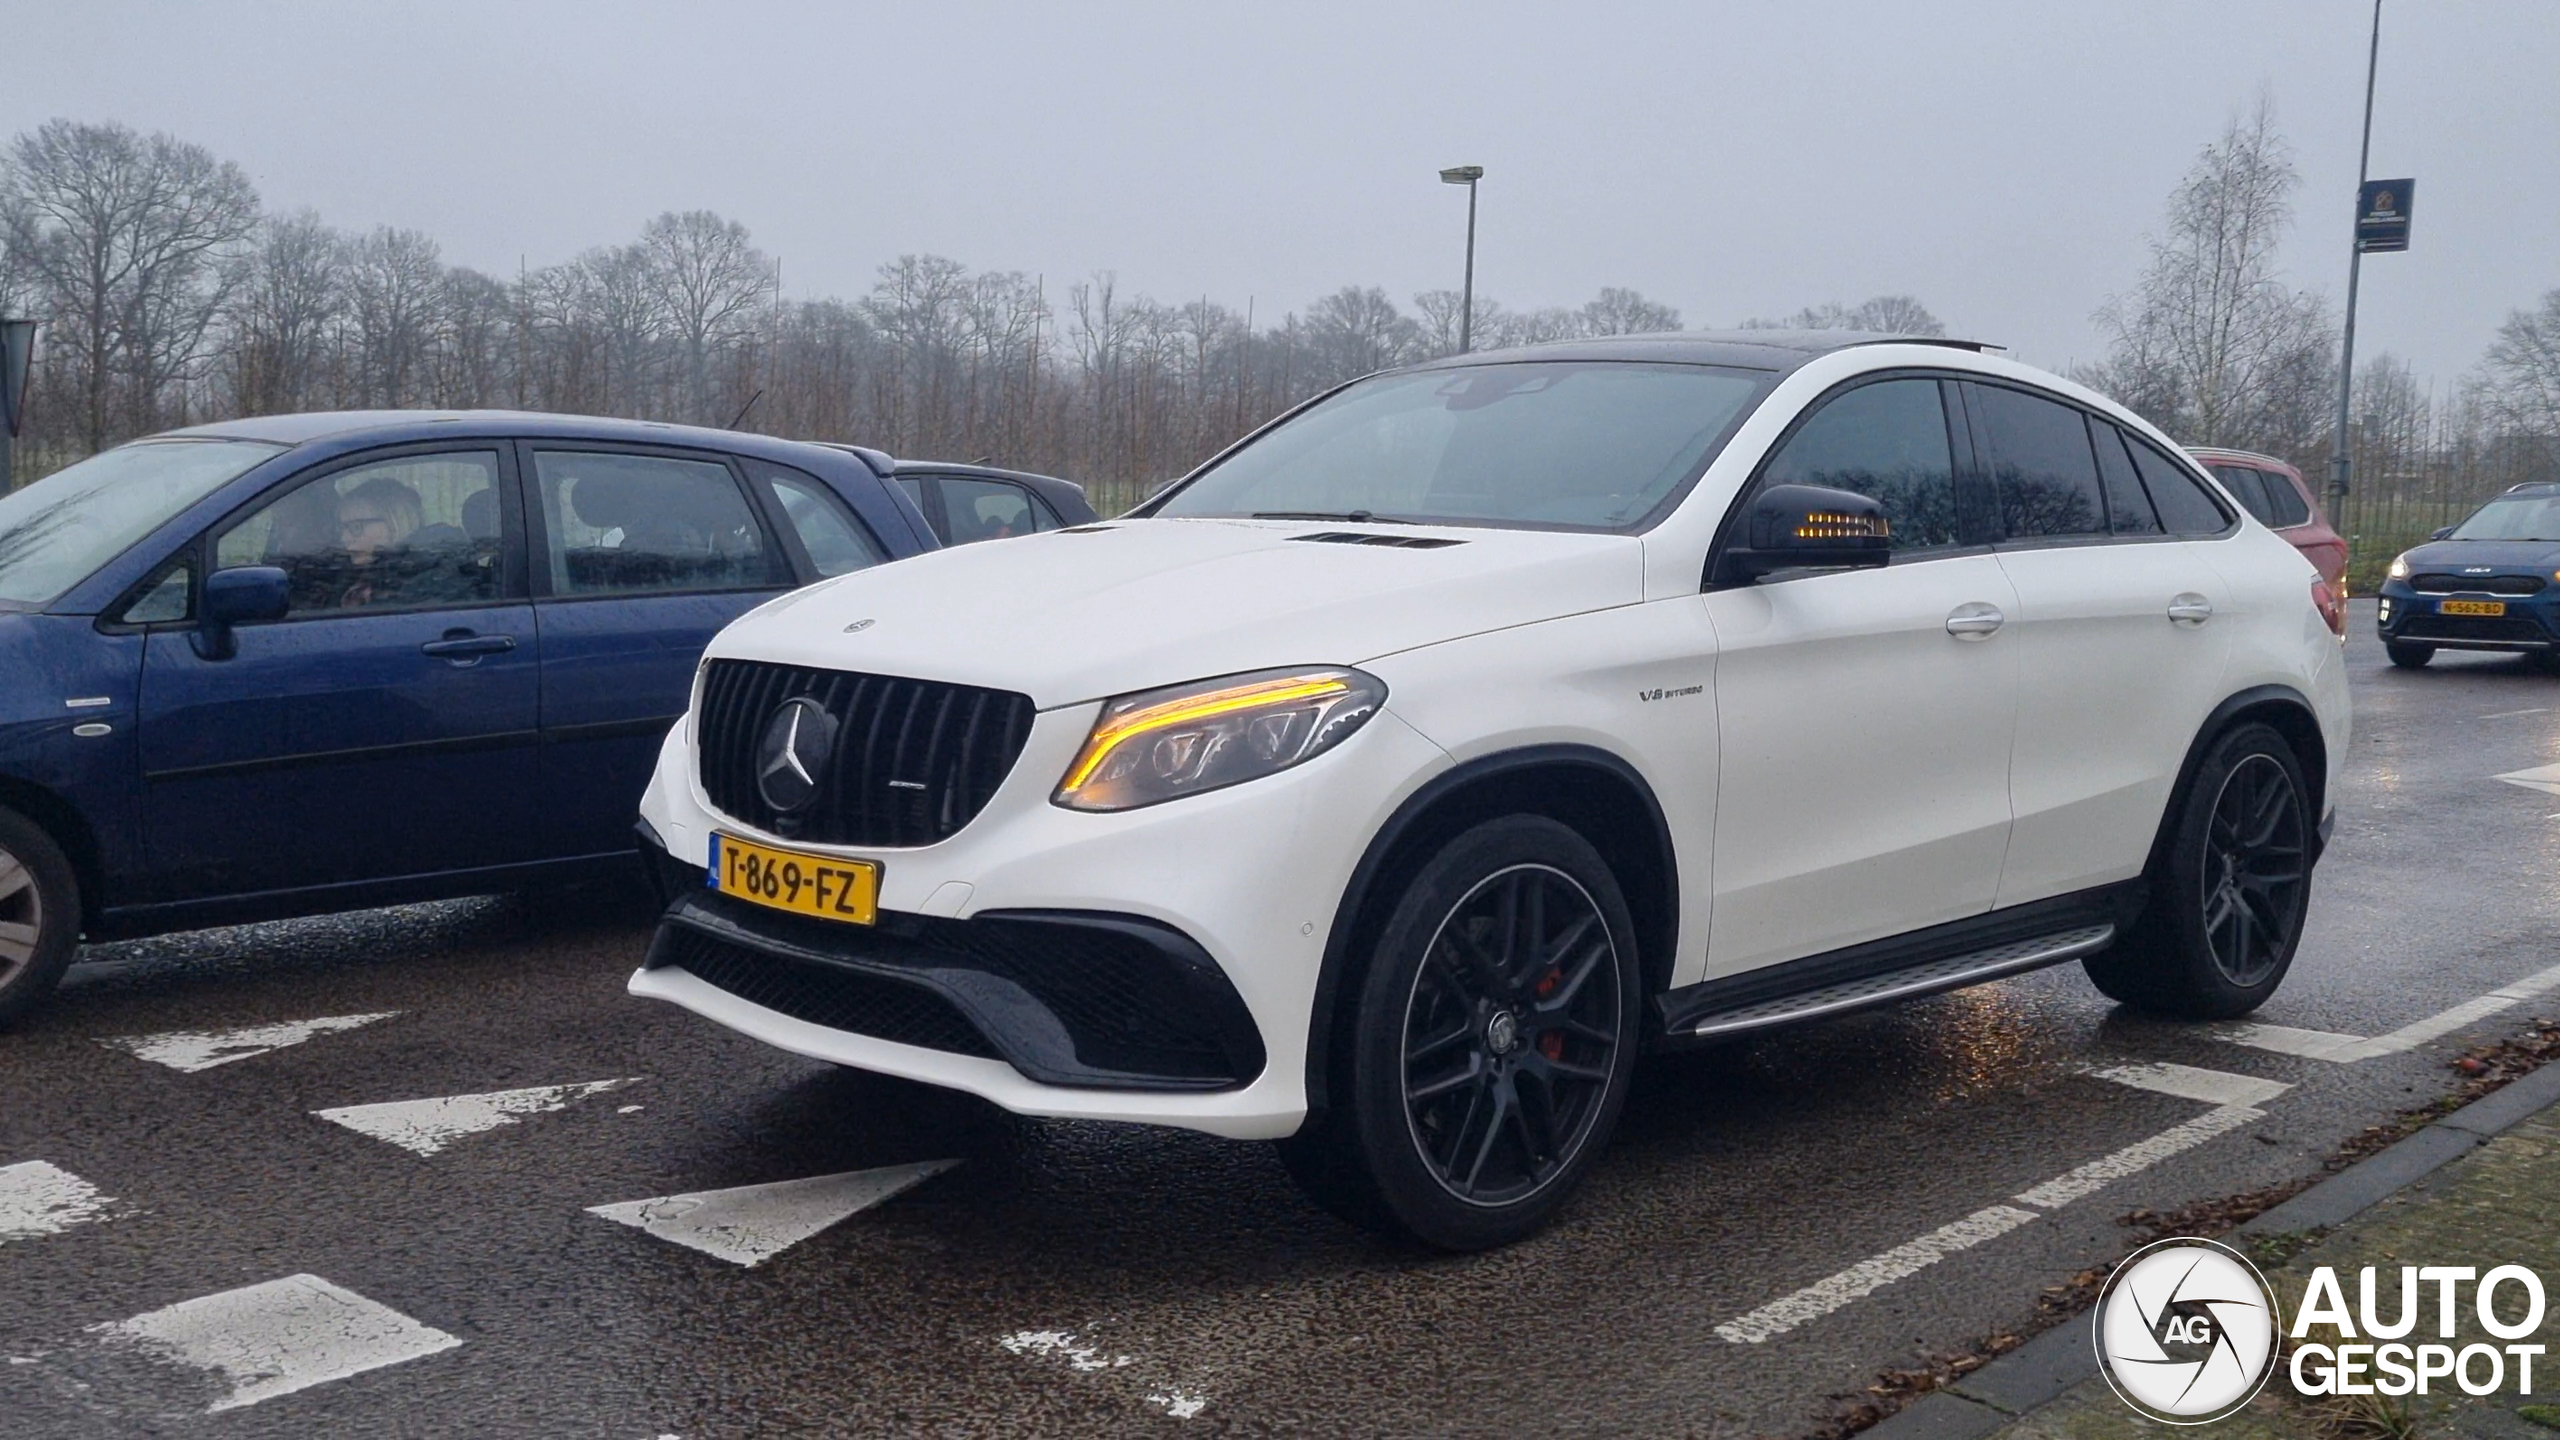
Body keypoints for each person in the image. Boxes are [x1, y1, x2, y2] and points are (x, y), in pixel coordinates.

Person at [334, 476, 424, 608]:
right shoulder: (345, 578)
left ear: (395, 524)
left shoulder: (420, 585)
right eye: (342, 528)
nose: (344, 538)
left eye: (356, 527)